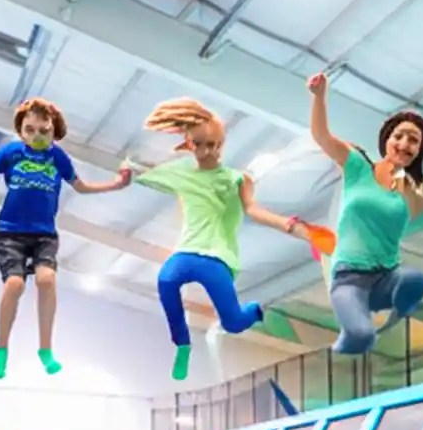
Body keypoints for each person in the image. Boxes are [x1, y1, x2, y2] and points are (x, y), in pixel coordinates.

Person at [0, 97, 131, 378]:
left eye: (44, 130)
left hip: (44, 233)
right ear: (21, 130)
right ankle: (1, 350)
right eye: (30, 130)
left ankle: (45, 349)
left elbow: (82, 187)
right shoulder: (11, 153)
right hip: (10, 231)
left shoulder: (58, 158)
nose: (37, 136)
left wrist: (117, 184)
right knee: (15, 284)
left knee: (47, 279)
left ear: (54, 131)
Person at [135, 97, 316, 380]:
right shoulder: (180, 173)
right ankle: (182, 344)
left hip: (218, 257)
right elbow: (138, 173)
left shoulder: (237, 178)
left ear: (222, 143)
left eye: (215, 144)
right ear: (189, 144)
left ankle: (252, 312)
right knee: (166, 279)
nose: (210, 151)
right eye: (200, 145)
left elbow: (253, 209)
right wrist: (123, 173)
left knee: (232, 323)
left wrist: (288, 224)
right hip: (187, 251)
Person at [306, 72, 423, 355]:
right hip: (348, 277)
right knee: (362, 337)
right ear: (386, 140)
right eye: (399, 136)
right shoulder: (358, 165)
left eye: (413, 141)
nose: (404, 144)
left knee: (416, 279)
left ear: (419, 150)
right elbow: (322, 136)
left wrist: (405, 184)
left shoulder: (412, 190)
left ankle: (392, 317)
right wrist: (319, 98)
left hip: (386, 277)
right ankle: (347, 337)